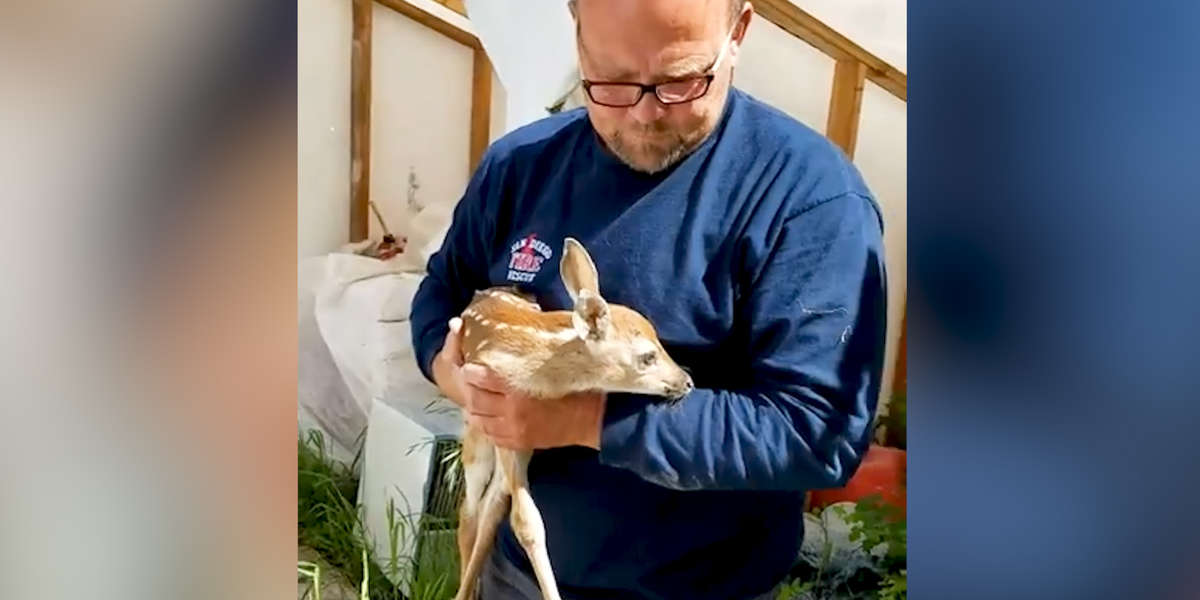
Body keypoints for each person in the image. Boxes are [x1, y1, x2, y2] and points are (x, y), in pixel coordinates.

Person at [409, 0, 888, 598]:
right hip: (522, 574)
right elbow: (442, 290)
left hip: (701, 587)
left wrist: (587, 419)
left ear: (737, 32)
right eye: (609, 81)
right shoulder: (521, 165)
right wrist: (454, 374)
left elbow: (820, 433)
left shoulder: (809, 202)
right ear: (577, 35)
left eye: (680, 81)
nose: (643, 114)